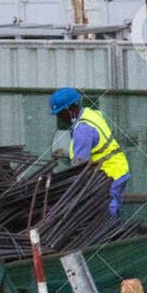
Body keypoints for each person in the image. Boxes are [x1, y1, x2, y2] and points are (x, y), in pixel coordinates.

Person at [49, 86, 130, 218]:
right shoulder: (90, 113)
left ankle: (112, 235)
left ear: (69, 110)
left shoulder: (82, 129)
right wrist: (68, 154)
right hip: (119, 168)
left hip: (110, 173)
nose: (60, 118)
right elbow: (95, 145)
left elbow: (79, 167)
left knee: (108, 212)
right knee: (113, 209)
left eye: (60, 114)